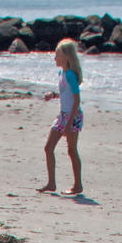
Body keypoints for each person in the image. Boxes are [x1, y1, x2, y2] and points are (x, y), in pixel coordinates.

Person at [38, 38, 84, 196]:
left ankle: (78, 185)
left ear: (66, 56)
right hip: (63, 115)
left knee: (72, 150)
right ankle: (51, 183)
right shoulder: (61, 73)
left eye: (57, 55)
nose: (54, 58)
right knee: (48, 147)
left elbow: (76, 100)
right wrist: (54, 95)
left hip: (72, 115)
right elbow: (67, 95)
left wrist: (69, 123)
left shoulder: (70, 75)